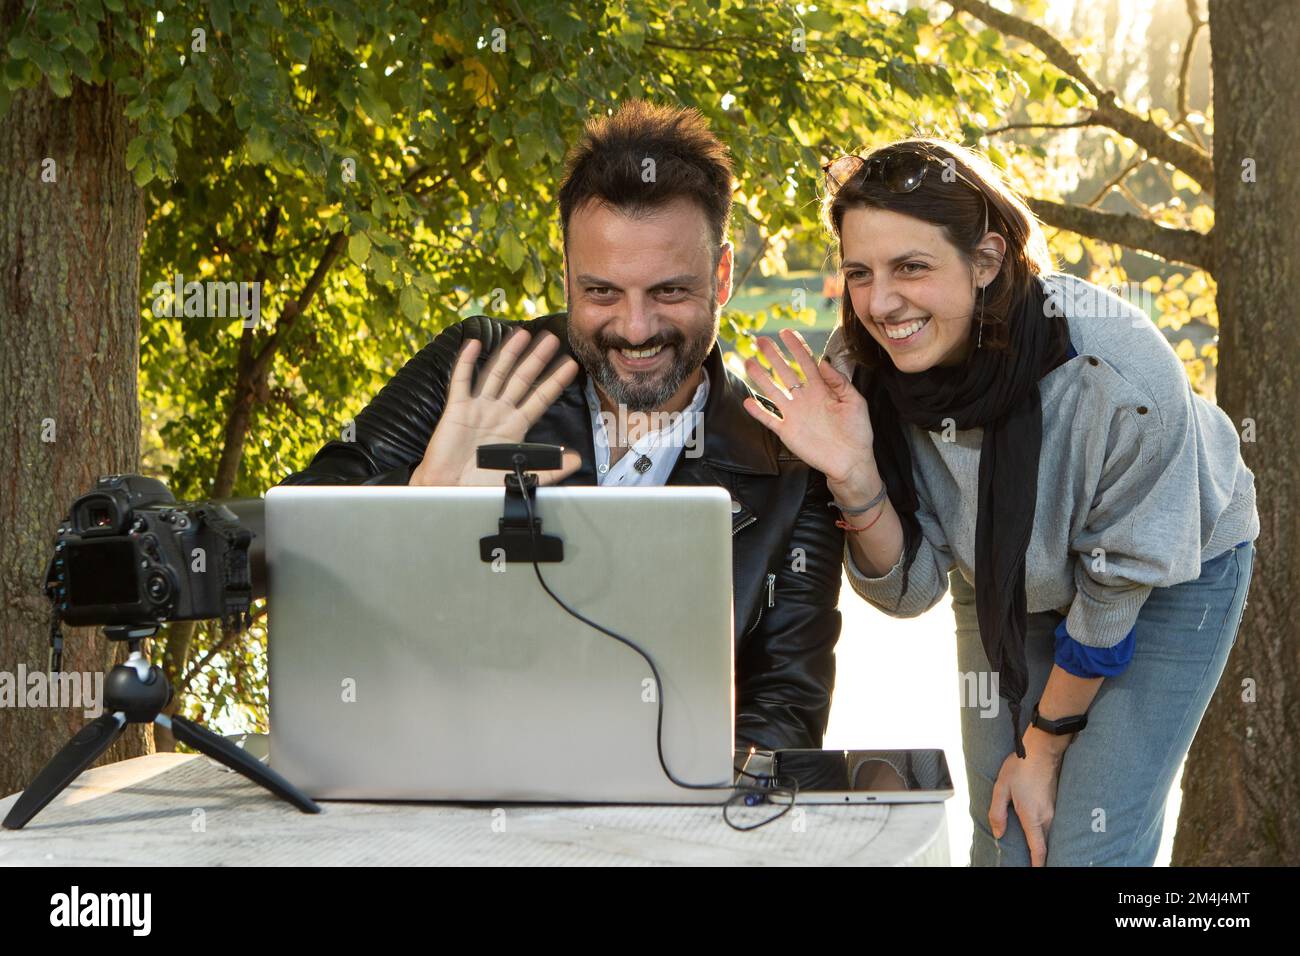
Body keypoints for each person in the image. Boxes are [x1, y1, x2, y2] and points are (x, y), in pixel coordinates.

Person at [740, 138, 1258, 865]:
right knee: (1005, 837)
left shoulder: (1117, 373)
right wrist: (855, 475)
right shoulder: (857, 374)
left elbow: (1111, 596)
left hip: (1164, 573)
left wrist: (1042, 748)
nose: (881, 303)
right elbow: (911, 587)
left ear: (984, 260)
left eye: (911, 267)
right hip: (1005, 576)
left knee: (1083, 846)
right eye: (859, 272)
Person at [278, 100, 844, 751]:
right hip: (436, 774)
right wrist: (426, 497)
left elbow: (785, 715)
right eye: (602, 292)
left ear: (719, 278)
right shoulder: (475, 367)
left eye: (668, 293)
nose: (635, 330)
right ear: (568, 276)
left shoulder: (790, 470)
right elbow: (297, 549)